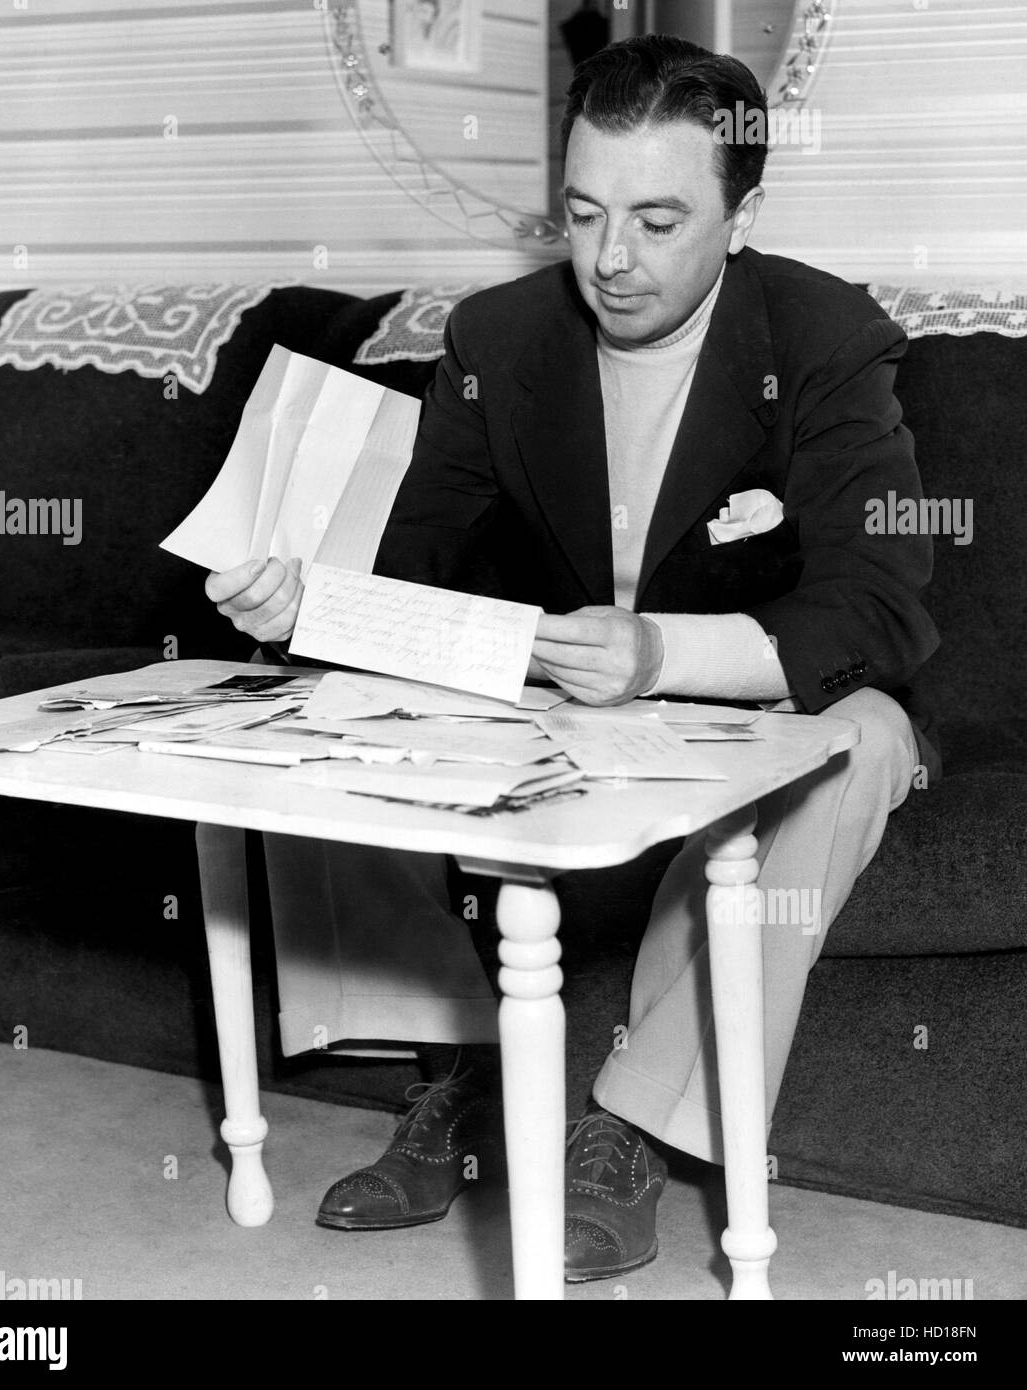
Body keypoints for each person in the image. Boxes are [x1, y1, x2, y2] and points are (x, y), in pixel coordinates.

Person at [206, 34, 938, 1282]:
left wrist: (660, 650)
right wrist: (306, 610)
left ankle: (635, 1123)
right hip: (546, 698)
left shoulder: (824, 334)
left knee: (863, 734)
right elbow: (410, 567)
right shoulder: (499, 335)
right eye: (585, 212)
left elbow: (878, 603)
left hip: (733, 694)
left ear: (741, 210)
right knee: (304, 700)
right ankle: (469, 1069)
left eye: (658, 220)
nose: (610, 259)